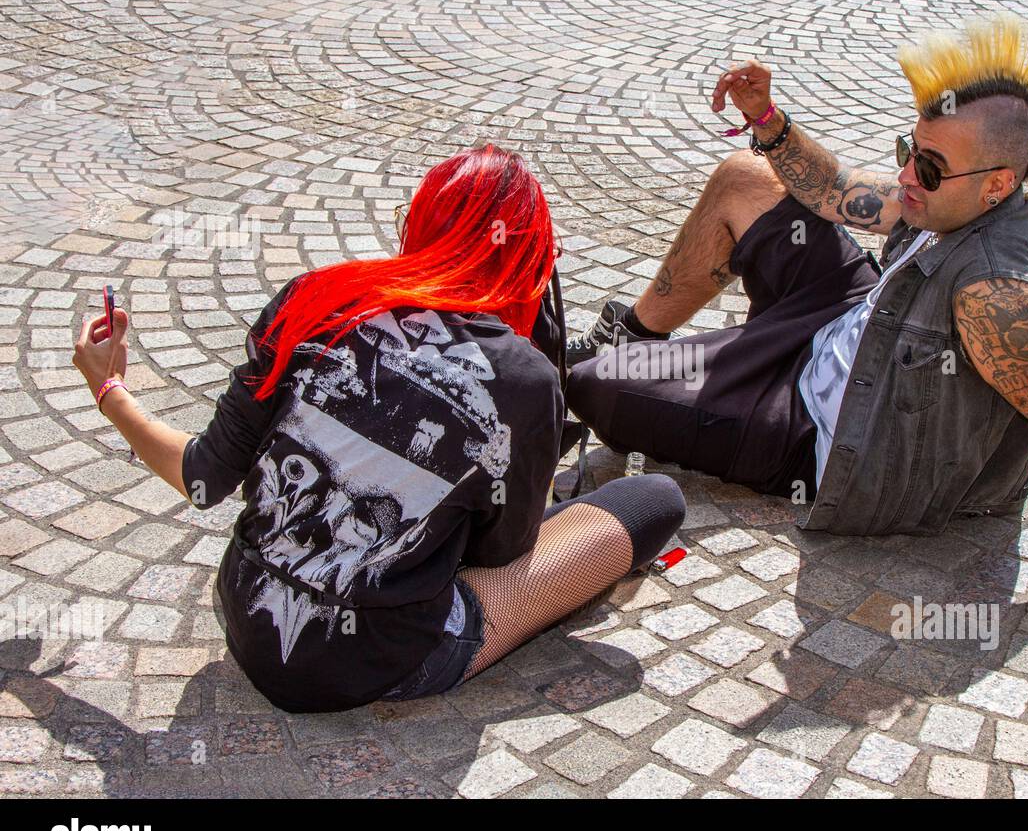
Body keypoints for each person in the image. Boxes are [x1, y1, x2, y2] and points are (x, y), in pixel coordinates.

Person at [564, 15, 1028, 641]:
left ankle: (631, 369)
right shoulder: (945, 201)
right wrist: (766, 119)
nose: (909, 175)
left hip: (830, 430)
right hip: (852, 322)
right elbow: (832, 189)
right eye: (911, 150)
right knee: (747, 177)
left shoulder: (1000, 294)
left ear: (997, 186)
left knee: (595, 388)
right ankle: (636, 338)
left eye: (930, 167)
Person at [73, 144, 685, 713]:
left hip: (245, 610)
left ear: (415, 226)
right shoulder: (523, 379)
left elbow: (202, 478)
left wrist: (111, 391)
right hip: (386, 662)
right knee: (651, 499)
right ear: (529, 257)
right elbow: (500, 554)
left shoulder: (313, 301)